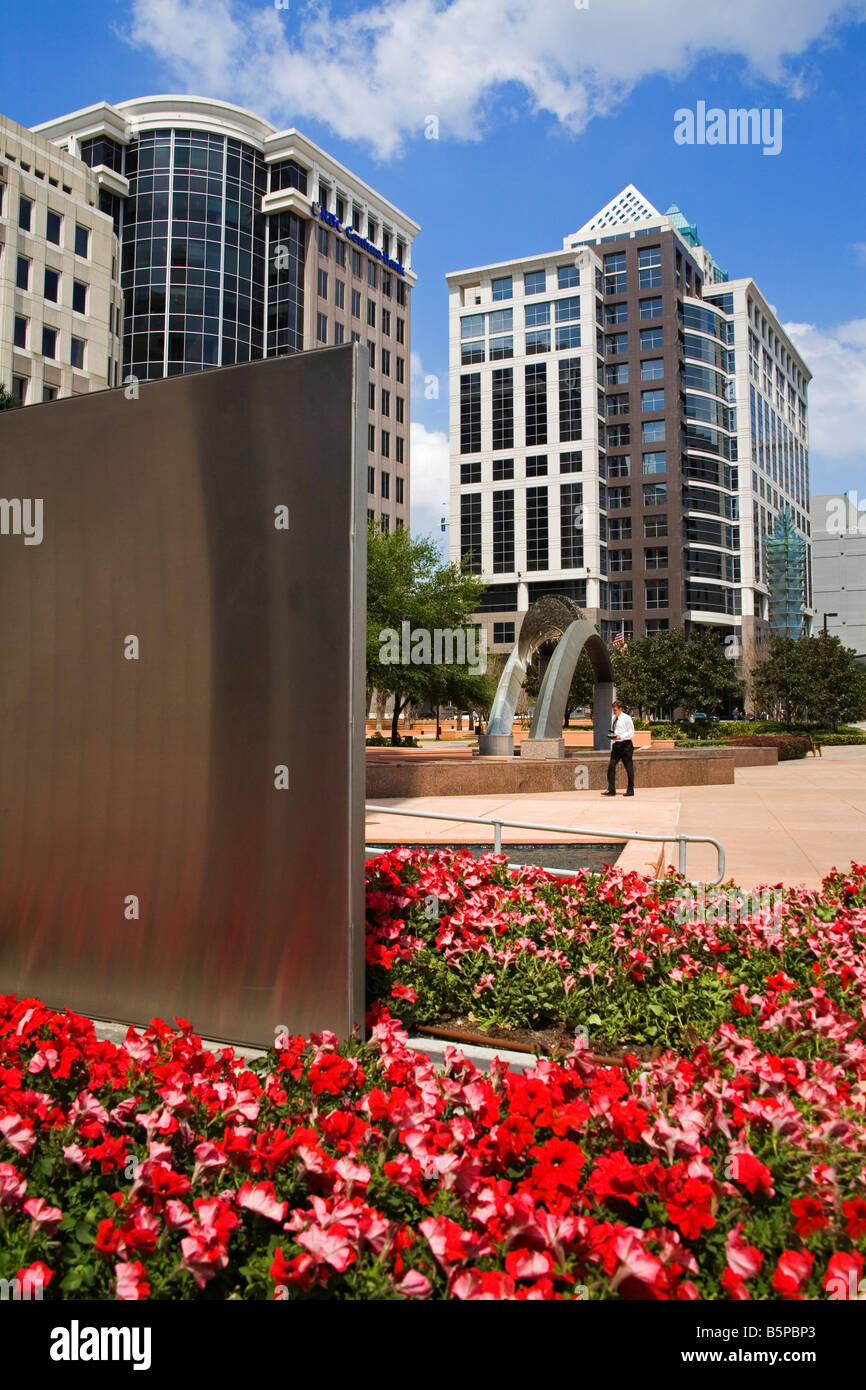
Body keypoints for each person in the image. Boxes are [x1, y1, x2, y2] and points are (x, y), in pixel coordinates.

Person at [602, 700, 635, 797]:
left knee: (629, 768)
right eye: (613, 710)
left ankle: (630, 790)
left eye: (615, 710)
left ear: (620, 709)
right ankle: (611, 789)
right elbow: (614, 730)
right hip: (616, 745)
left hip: (626, 745)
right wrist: (612, 736)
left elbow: (631, 733)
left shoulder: (627, 718)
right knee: (611, 767)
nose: (614, 712)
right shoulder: (613, 718)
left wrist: (621, 737)